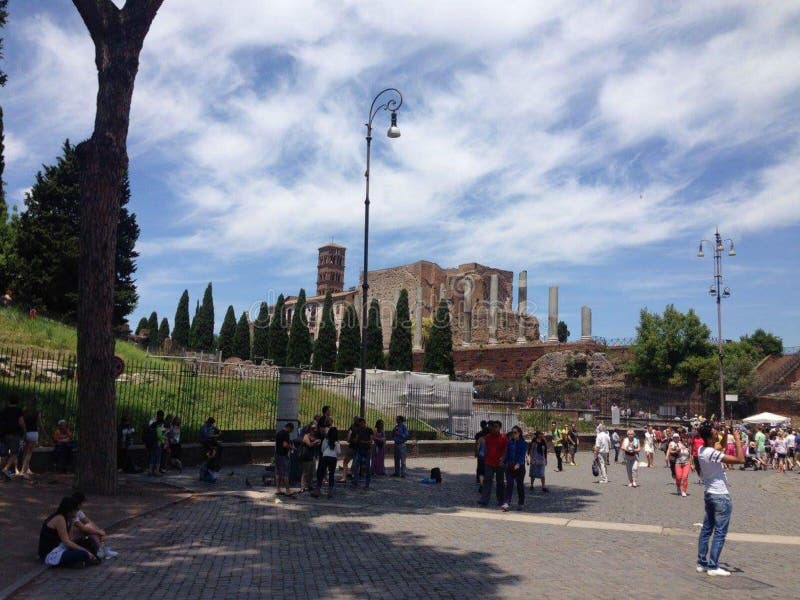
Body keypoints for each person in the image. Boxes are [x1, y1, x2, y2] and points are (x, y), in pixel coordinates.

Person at [696, 423, 744, 576]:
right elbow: (740, 459)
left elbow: (720, 448)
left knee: (706, 530)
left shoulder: (702, 450)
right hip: (720, 495)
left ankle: (701, 563)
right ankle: (713, 566)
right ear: (710, 436)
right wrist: (736, 439)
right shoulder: (711, 452)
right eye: (715, 431)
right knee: (720, 532)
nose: (717, 432)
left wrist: (725, 433)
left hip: (709, 493)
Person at [38, 496, 101, 568]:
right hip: (51, 552)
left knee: (88, 543)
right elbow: (66, 542)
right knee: (84, 554)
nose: (77, 512)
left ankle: (77, 562)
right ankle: (73, 562)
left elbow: (69, 538)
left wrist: (72, 522)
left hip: (61, 547)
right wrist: (85, 551)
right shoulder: (59, 518)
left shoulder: (67, 518)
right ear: (70, 510)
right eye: (76, 509)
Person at [71, 492, 119, 559]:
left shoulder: (78, 511)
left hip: (77, 534)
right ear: (79, 503)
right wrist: (98, 532)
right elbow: (82, 528)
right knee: (89, 529)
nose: (83, 505)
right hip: (70, 537)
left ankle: (102, 550)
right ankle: (101, 550)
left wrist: (99, 531)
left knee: (90, 527)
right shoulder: (71, 512)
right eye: (82, 503)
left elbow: (88, 521)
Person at [478, 421, 508, 507]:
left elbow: (506, 450)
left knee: (500, 483)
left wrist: (503, 459)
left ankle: (501, 500)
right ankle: (484, 499)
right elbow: (484, 449)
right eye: (493, 427)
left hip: (499, 463)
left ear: (499, 428)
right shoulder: (488, 437)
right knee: (487, 481)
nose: (494, 428)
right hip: (489, 463)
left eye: (496, 427)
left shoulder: (503, 438)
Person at [502, 425, 527, 511]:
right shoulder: (510, 442)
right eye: (512, 432)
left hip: (520, 468)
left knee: (519, 485)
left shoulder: (523, 443)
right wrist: (504, 462)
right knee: (509, 484)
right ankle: (506, 503)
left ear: (519, 433)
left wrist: (518, 464)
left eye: (515, 432)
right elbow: (507, 454)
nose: (513, 434)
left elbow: (522, 455)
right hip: (510, 466)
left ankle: (521, 502)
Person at [1, 394, 25, 479]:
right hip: (15, 434)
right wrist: (24, 430)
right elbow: (21, 422)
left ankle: (2, 472)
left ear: (9, 401)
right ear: (17, 401)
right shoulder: (19, 410)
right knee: (14, 453)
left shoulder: (4, 410)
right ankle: (6, 469)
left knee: (3, 454)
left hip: (4, 434)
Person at [317, 427, 341, 498]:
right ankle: (330, 491)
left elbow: (322, 449)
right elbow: (338, 452)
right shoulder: (337, 442)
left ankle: (318, 489)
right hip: (333, 458)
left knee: (322, 473)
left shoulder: (325, 440)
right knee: (331, 474)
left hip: (325, 457)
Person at [351, 418, 374, 489]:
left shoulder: (369, 430)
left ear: (364, 423)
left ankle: (367, 484)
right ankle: (355, 482)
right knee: (356, 466)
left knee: (367, 467)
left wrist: (364, 442)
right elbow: (356, 439)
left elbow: (371, 441)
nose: (361, 425)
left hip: (367, 450)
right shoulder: (358, 430)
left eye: (362, 423)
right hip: (359, 450)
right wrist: (353, 439)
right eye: (360, 423)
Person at [20, 401, 41, 477]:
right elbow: (39, 424)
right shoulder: (37, 412)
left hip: (26, 433)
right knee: (29, 453)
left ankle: (26, 469)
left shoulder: (24, 411)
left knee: (25, 452)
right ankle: (23, 471)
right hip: (34, 433)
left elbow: (22, 422)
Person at [300, 422, 321, 497]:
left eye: (315, 429)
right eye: (313, 429)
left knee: (312, 472)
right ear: (309, 429)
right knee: (305, 472)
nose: (314, 430)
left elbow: (316, 445)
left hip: (312, 456)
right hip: (306, 456)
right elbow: (309, 444)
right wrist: (316, 442)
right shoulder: (306, 436)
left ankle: (310, 485)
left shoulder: (313, 436)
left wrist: (317, 442)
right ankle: (303, 486)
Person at [274, 422, 294, 496]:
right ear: (289, 428)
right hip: (283, 455)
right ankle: (288, 490)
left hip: (277, 454)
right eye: (291, 430)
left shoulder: (279, 433)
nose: (291, 432)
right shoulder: (285, 434)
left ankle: (278, 489)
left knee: (278, 473)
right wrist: (292, 447)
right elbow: (285, 444)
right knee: (285, 473)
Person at [339, 416, 360, 482]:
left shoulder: (353, 426)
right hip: (357, 447)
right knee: (355, 462)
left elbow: (350, 435)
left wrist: (349, 439)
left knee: (346, 461)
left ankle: (345, 477)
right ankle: (352, 475)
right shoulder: (359, 427)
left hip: (353, 446)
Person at [146, 411, 165, 477]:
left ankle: (150, 470)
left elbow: (149, 429)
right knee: (158, 457)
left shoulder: (154, 423)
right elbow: (161, 434)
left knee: (153, 456)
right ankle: (156, 471)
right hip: (159, 442)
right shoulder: (162, 423)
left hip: (153, 442)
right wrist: (164, 438)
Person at [475, 420, 489, 488]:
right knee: (486, 468)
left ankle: (479, 480)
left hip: (481, 455)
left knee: (480, 469)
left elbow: (477, 445)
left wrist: (476, 453)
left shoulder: (479, 435)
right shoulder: (490, 436)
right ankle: (485, 480)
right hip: (487, 455)